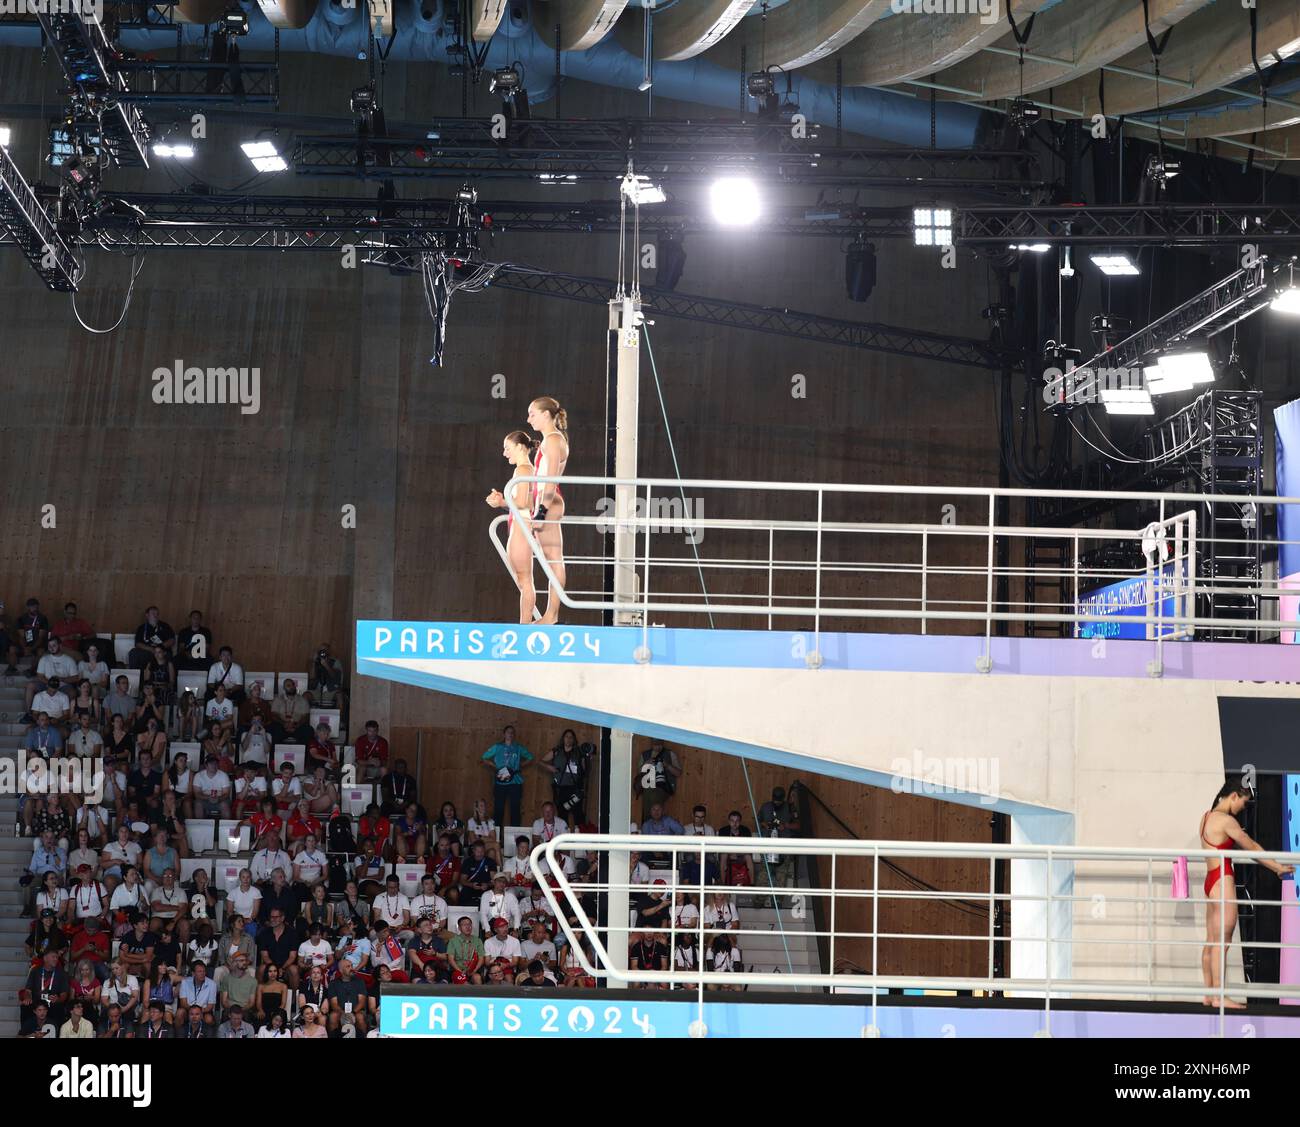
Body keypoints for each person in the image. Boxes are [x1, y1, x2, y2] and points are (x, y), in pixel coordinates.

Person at [1199, 780, 1294, 1008]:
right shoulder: (1226, 821)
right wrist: (1277, 867)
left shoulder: (1206, 817)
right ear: (1233, 796)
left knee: (1212, 941)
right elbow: (1251, 846)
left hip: (1210, 880)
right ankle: (1220, 997)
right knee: (1222, 940)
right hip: (1223, 879)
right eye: (1243, 802)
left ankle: (1210, 995)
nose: (1243, 807)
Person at [485, 429, 540, 623]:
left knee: (525, 581)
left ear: (519, 447)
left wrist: (501, 502)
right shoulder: (525, 469)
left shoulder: (523, 469)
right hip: (520, 525)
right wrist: (503, 499)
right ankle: (525, 624)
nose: (504, 453)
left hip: (522, 525)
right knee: (523, 580)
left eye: (507, 448)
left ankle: (524, 627)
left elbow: (523, 502)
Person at [528, 396, 569, 623]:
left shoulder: (553, 440)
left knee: (553, 559)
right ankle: (550, 614)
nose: (529, 419)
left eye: (532, 414)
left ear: (546, 415)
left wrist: (541, 511)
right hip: (545, 501)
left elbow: (551, 478)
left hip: (549, 502)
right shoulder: (549, 440)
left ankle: (551, 615)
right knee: (550, 558)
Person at [482, 724, 533, 828]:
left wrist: (519, 766)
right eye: (508, 732)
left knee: (515, 809)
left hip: (515, 781)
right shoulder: (497, 747)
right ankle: (496, 836)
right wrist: (495, 767)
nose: (510, 734)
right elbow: (484, 757)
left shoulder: (518, 748)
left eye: (512, 732)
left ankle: (515, 838)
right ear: (504, 734)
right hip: (501, 781)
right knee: (498, 809)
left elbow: (530, 757)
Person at [542, 729, 593, 823]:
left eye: (571, 737)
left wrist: (587, 758)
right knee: (562, 815)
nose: (568, 739)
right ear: (563, 738)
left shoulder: (579, 752)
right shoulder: (557, 751)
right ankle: (564, 837)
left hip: (575, 788)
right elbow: (541, 761)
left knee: (578, 815)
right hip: (560, 789)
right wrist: (550, 767)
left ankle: (579, 836)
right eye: (566, 737)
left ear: (574, 740)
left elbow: (585, 770)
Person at [758, 786, 802, 887]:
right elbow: (758, 821)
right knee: (763, 879)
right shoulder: (765, 807)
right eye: (775, 800)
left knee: (780, 882)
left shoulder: (790, 808)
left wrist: (785, 825)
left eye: (779, 801)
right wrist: (766, 825)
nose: (777, 803)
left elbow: (798, 825)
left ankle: (777, 902)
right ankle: (759, 902)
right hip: (767, 848)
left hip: (783, 850)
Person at [636, 740, 682, 821]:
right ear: (651, 744)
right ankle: (650, 824)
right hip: (648, 786)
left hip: (665, 787)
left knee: (652, 794)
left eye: (660, 744)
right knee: (649, 791)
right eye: (655, 744)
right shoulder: (645, 754)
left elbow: (678, 773)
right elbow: (639, 772)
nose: (658, 747)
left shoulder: (670, 754)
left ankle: (650, 823)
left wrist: (667, 765)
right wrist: (647, 763)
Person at [326, 958, 369, 1035]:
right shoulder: (333, 984)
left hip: (357, 1011)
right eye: (348, 966)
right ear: (341, 970)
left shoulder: (359, 981)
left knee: (359, 1017)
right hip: (340, 1011)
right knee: (333, 1016)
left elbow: (361, 1002)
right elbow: (334, 1004)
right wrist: (344, 1013)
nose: (352, 968)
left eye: (352, 966)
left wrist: (352, 1013)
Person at [269, 678, 311, 744]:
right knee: (273, 729)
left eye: (293, 685)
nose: (291, 687)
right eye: (288, 686)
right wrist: (283, 723)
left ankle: (301, 753)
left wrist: (297, 724)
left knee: (308, 730)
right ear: (284, 688)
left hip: (297, 726)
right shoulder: (278, 700)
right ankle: (275, 753)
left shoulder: (303, 700)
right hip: (282, 725)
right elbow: (274, 715)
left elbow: (306, 716)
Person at [446, 915, 486, 985]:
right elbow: (450, 959)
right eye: (464, 925)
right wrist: (459, 971)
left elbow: (481, 958)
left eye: (469, 924)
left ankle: (479, 996)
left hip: (473, 970)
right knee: (465, 983)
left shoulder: (478, 940)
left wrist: (474, 970)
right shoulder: (453, 941)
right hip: (458, 970)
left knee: (477, 978)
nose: (468, 927)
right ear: (459, 928)